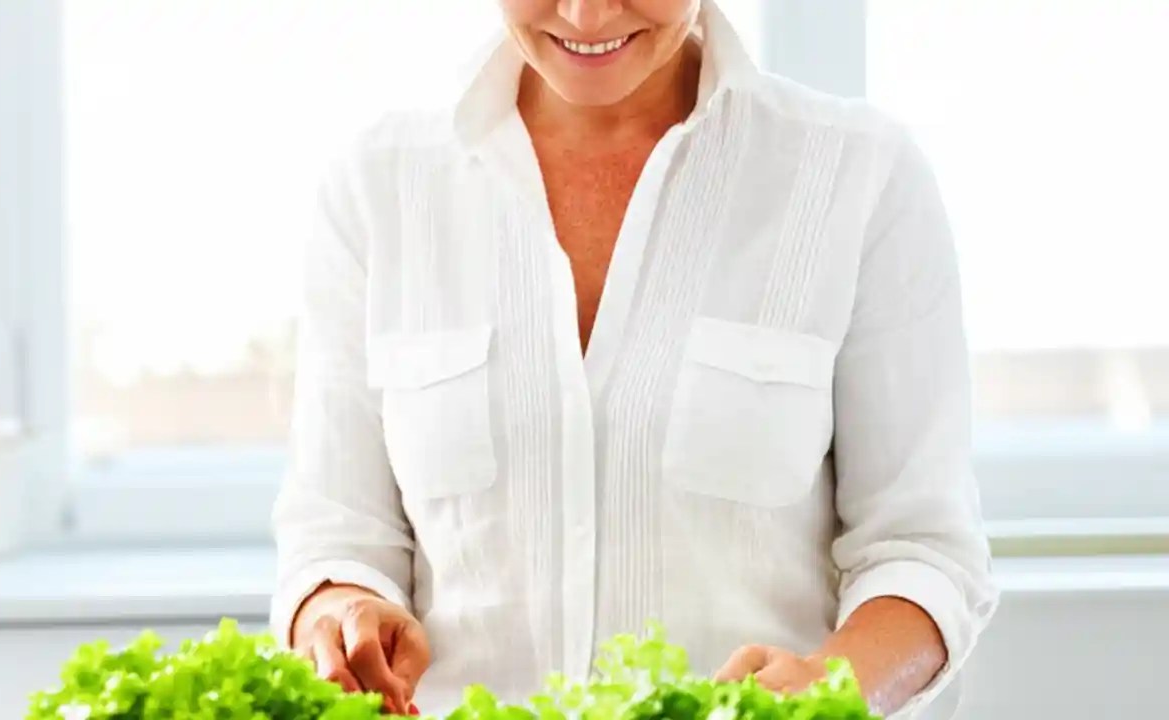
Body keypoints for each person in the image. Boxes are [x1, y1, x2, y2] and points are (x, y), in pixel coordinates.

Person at [270, 0, 999, 717]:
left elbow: (923, 551)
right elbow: (336, 538)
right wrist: (342, 615)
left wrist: (829, 688)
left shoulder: (858, 175)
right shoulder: (379, 187)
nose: (585, 15)